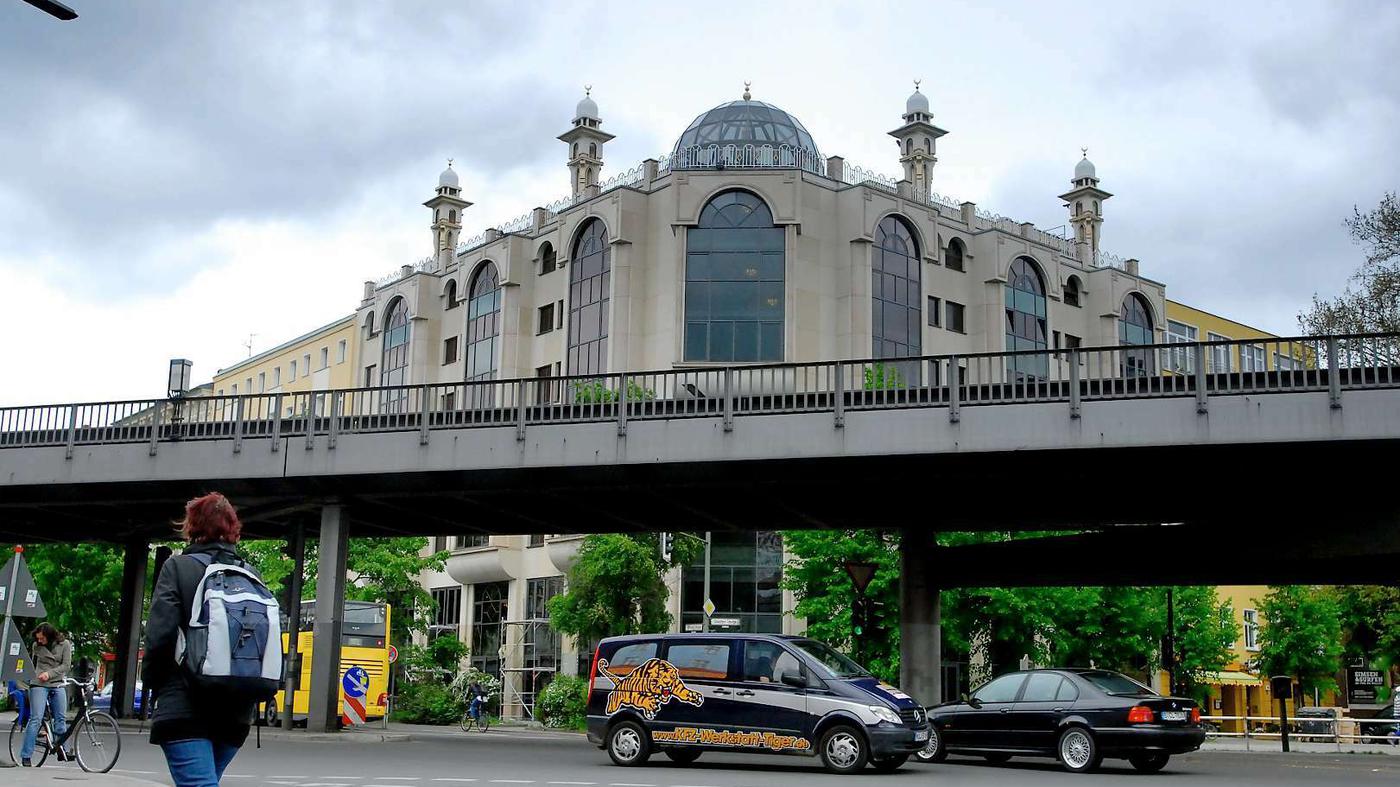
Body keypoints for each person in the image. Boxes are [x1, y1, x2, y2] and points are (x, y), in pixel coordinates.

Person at [143, 492, 261, 787]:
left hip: (185, 705)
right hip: (237, 710)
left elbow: (160, 635)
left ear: (192, 526)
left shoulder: (178, 568)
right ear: (233, 527)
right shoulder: (250, 574)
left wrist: (154, 686)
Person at [19, 622, 72, 766]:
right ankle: (26, 755)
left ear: (50, 636)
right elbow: (34, 664)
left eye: (42, 638)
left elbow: (66, 665)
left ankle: (62, 749)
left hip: (56, 682)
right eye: (38, 639)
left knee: (61, 718)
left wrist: (49, 674)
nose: (39, 641)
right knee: (36, 718)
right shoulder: (37, 646)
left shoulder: (65, 644)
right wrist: (39, 676)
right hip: (39, 683)